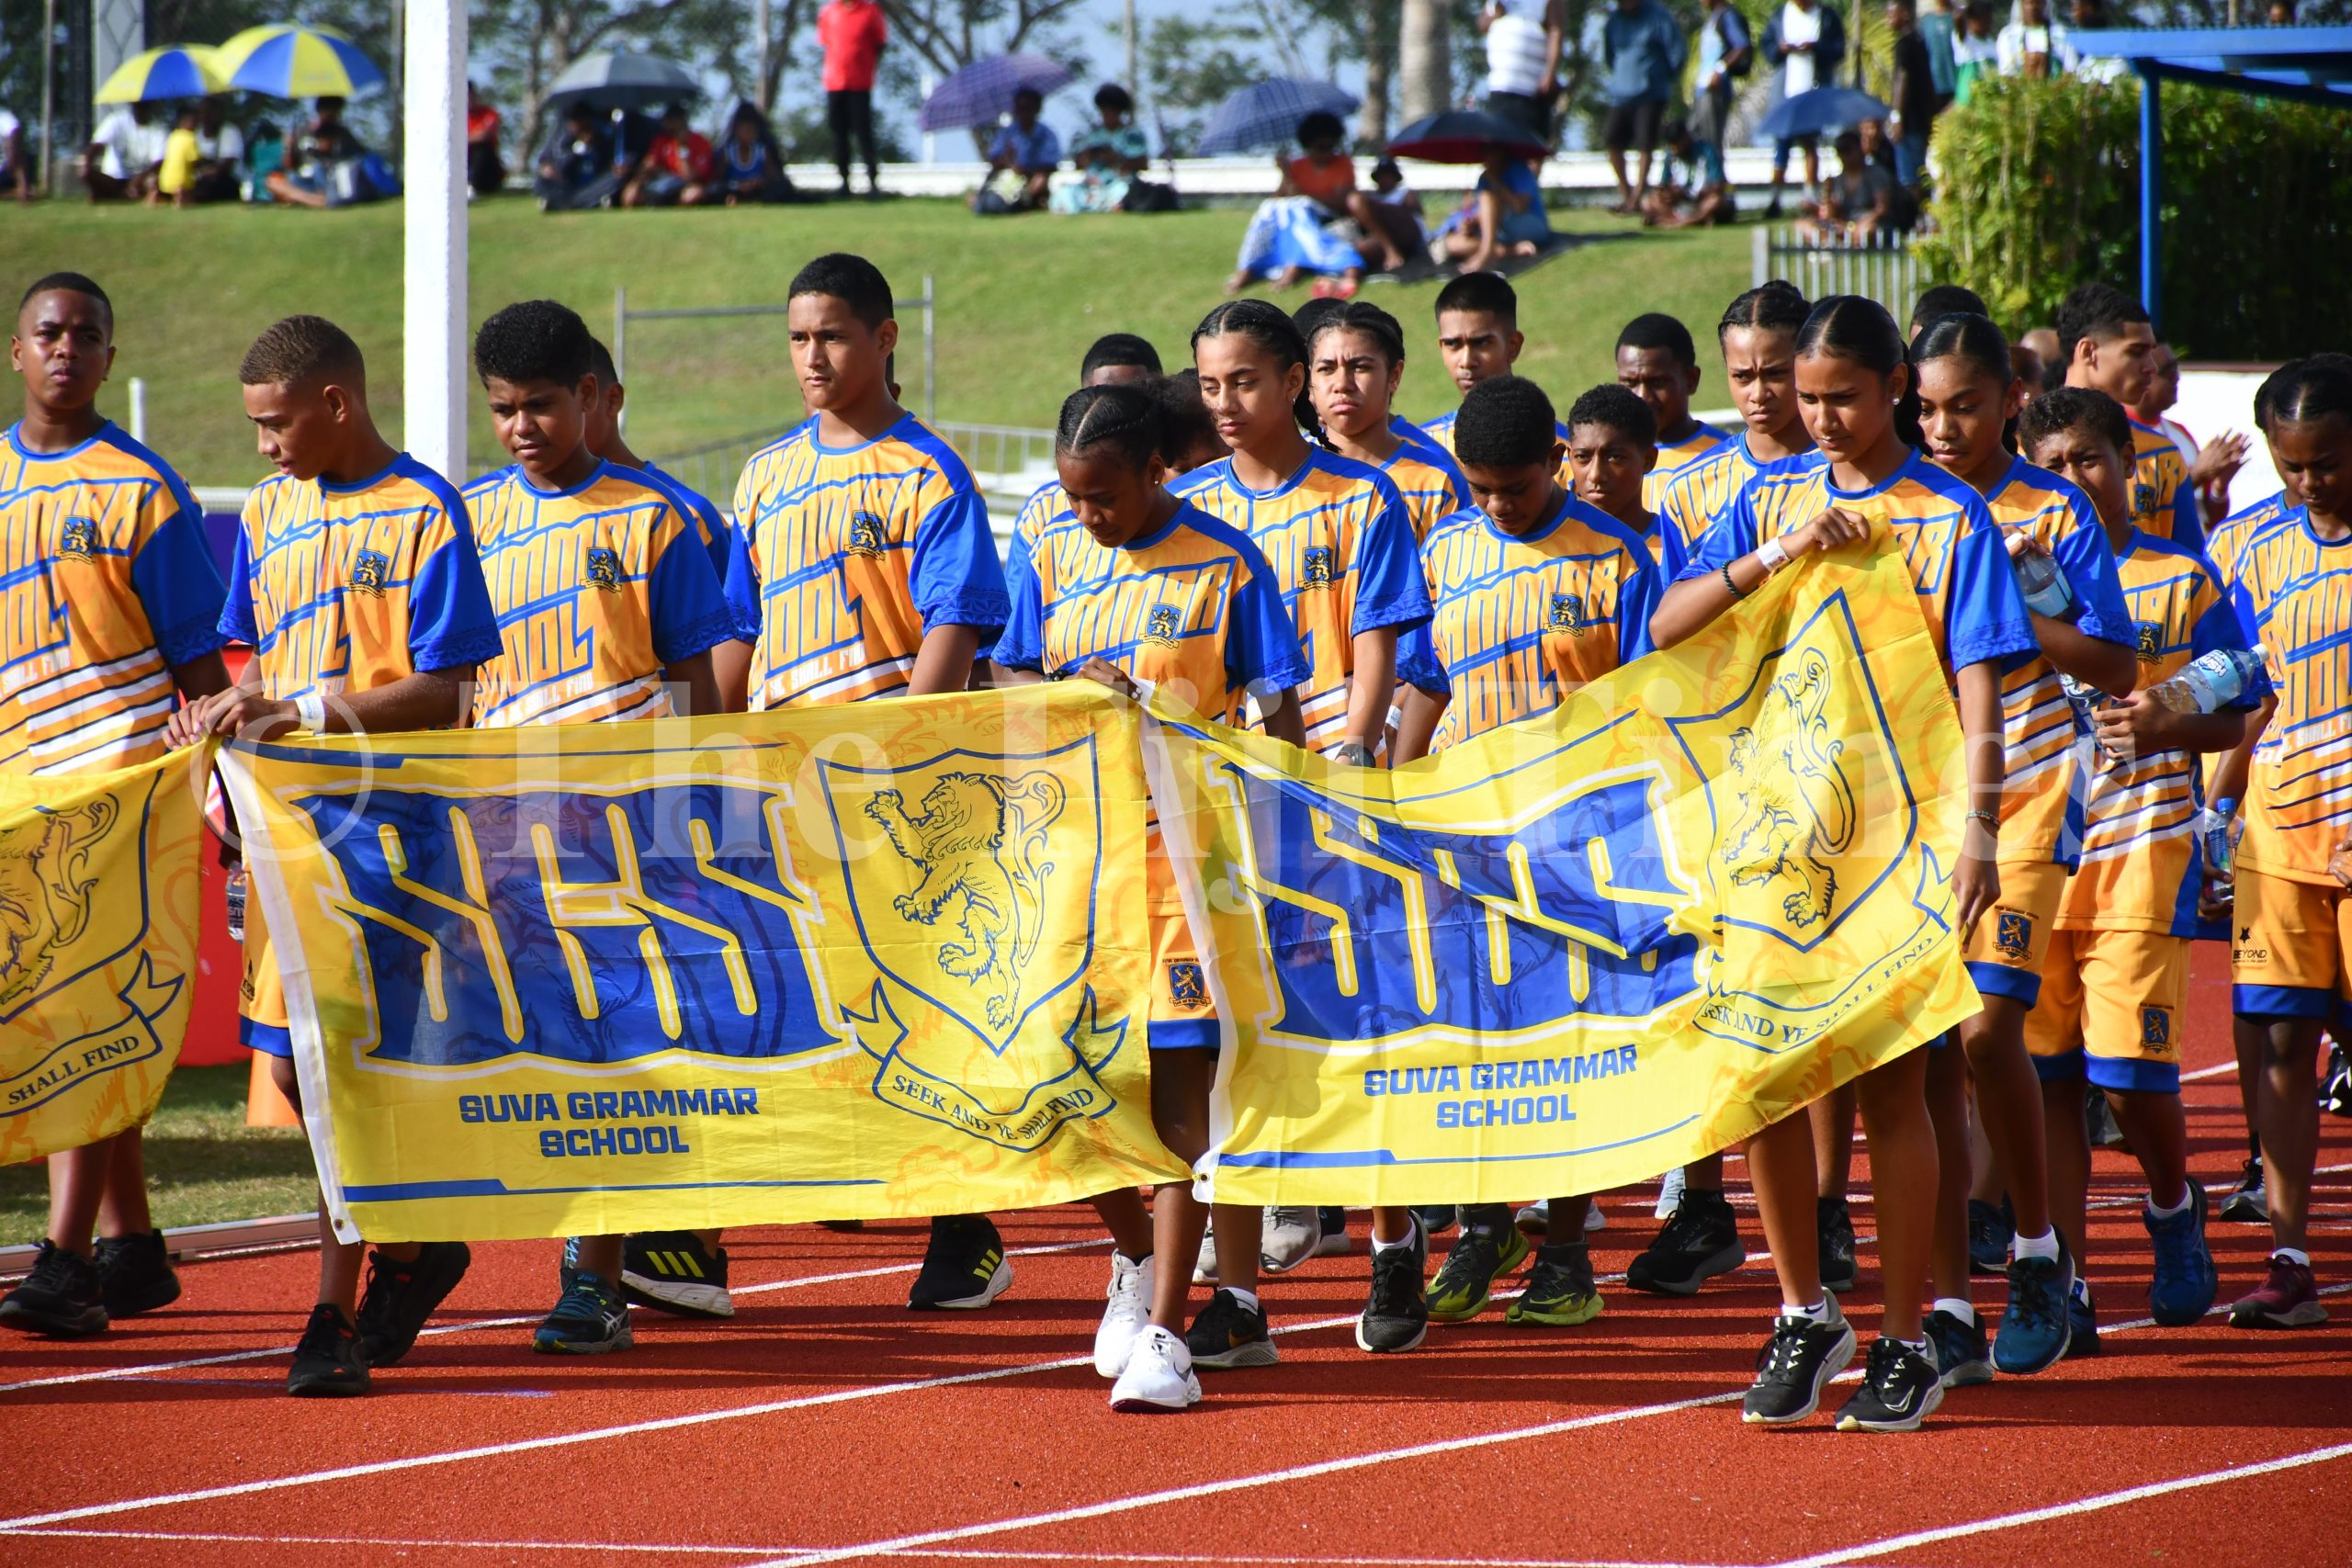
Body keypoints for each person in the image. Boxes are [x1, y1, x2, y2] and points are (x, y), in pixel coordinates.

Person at [1653, 295, 2039, 1432]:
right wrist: (1775, 553)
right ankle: (1802, 1310)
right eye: (1804, 397)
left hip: (1900, 837)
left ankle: (1911, 1334)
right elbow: (1670, 627)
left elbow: (1978, 684)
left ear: (1894, 394)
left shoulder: (1949, 518)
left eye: (1844, 398)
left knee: (1887, 1086)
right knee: (1763, 1079)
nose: (1819, 417)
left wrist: (1975, 829)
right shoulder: (1765, 499)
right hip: (1774, 843)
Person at [729, 254, 1087, 1319]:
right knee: (795, 1000)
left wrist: (884, 759)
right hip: (781, 791)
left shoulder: (928, 473)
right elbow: (737, 633)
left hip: (894, 798)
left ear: (884, 339)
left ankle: (966, 1227)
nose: (813, 358)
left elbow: (958, 623)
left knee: (919, 1008)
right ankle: (699, 1233)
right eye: (798, 338)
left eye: (833, 336)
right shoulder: (761, 477)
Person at [167, 313, 503, 1395]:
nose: (264, 447)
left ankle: (332, 1309)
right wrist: (218, 730)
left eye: (276, 425)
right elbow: (251, 657)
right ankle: (410, 1254)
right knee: (301, 1079)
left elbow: (451, 693)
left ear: (336, 406)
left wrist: (303, 711)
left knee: (342, 1066)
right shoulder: (267, 511)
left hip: (388, 841)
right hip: (280, 833)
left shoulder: (426, 511)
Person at [990, 384, 1308, 1412]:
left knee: (1178, 1104)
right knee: (1049, 1082)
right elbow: (1003, 692)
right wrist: (1058, 693)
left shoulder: (1226, 565)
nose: (1089, 516)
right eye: (1073, 497)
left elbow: (1279, 725)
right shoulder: (1048, 556)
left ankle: (1172, 1332)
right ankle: (1133, 1260)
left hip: (1185, 872)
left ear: (1153, 474)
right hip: (1074, 866)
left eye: (1105, 497)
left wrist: (1163, 721)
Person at [1361, 376, 1661, 1354]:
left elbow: (1657, 702)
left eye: (1517, 485)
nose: (1498, 504)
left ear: (1559, 462)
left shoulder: (1618, 557)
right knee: (1476, 1045)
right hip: (1462, 842)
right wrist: (1392, 808)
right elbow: (1424, 690)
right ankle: (1484, 1231)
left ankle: (1566, 1252)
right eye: (1480, 488)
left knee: (1570, 1048)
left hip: (1583, 846)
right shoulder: (1444, 551)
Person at [461, 300, 735, 1352]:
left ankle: (595, 1274)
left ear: (590, 398)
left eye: (540, 404)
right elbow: (450, 680)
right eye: (503, 409)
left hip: (623, 837)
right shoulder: (472, 518)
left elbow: (698, 686)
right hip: (495, 827)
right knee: (535, 1056)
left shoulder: (656, 517)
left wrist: (688, 819)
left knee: (614, 1051)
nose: (523, 426)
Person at [1168, 298, 1430, 1348]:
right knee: (1231, 1051)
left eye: (1244, 382)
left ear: (1290, 383)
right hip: (1220, 818)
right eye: (1209, 385)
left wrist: (1350, 757)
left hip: (1331, 801)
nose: (1226, 403)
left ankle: (1393, 1240)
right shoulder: (1185, 506)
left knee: (1360, 1033)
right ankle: (1236, 1294)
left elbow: (1380, 643)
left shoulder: (1361, 499)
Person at [0, 273, 232, 1340]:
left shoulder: (143, 487)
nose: (66, 348)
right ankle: (135, 1247)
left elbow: (196, 658)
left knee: (81, 1015)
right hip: (17, 789)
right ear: (17, 350)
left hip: (121, 784)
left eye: (87, 334)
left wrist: (219, 780)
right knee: (59, 1013)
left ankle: (65, 1259)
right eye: (49, 331)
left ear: (107, 355)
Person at [1911, 311, 2138, 1382]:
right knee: (1922, 1059)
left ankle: (2040, 1253)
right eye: (1929, 407)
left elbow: (2114, 665)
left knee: (1987, 1032)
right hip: (1909, 801)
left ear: (2013, 398)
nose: (1946, 426)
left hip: (2031, 798)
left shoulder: (2051, 508)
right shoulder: (1901, 504)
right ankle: (1951, 1303)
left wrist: (2013, 603)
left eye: (1967, 404)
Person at [2016, 384, 2240, 1350]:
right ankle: (2063, 1276)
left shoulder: (2176, 577)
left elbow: (2237, 708)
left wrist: (2161, 718)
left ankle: (2168, 1202)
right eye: (2052, 464)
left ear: (2129, 466)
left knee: (2130, 1076)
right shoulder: (2001, 575)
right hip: (2031, 855)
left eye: (2089, 460)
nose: (2072, 479)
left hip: (2141, 854)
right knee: (2047, 1079)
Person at [2218, 355, 2352, 1331]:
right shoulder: (2243, 546)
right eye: (2291, 465)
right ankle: (2290, 1254)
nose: (2310, 482)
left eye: (2331, 462)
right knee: (2275, 1043)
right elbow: (2218, 677)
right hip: (2276, 838)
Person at [1304, 300, 1470, 541]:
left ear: (1394, 375)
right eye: (1327, 369)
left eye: (1360, 367)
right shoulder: (1287, 471)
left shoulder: (1435, 482)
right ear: (1309, 380)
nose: (1342, 384)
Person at [2056, 283, 2199, 550]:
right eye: (2136, 352)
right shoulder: (2024, 451)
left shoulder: (2163, 456)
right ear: (2088, 352)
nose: (2151, 367)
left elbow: (2191, 568)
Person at [1419, 273, 1569, 456]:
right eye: (1453, 344)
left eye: (1481, 343)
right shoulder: (1423, 450)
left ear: (1513, 346)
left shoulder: (1566, 454)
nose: (1466, 361)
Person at [1227, 112, 1369, 295]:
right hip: (1295, 218)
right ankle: (1248, 267)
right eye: (1320, 147)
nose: (1326, 153)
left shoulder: (1342, 164)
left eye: (1330, 147)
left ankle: (1293, 267)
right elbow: (1278, 199)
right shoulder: (1298, 166)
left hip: (1327, 218)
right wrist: (1286, 174)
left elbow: (1339, 202)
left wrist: (1305, 194)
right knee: (1271, 208)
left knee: (1298, 208)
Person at [1618, 312, 1731, 512]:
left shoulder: (1727, 459)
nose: (1642, 396)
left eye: (1657, 382)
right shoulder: (1601, 461)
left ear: (1691, 380)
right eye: (1630, 383)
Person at [2137, 343, 2248, 531]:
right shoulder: (2120, 436)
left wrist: (2219, 487)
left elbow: (2208, 518)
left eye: (2176, 368)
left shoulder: (2180, 433)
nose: (2177, 377)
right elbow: (2142, 511)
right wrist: (2197, 475)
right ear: (2143, 374)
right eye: (2167, 371)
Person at [1600, 0, 1687, 215]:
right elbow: (1610, 56)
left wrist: (1662, 79)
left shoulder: (1658, 17)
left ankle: (1638, 195)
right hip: (1621, 94)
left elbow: (1678, 52)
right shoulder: (1614, 21)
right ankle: (1627, 195)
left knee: (1645, 144)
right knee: (1611, 140)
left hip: (1651, 93)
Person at [1762, 0, 1847, 218]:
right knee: (1781, 145)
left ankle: (1810, 196)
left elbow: (1838, 50)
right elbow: (1767, 47)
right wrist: (1780, 49)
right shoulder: (1781, 14)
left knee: (1811, 144)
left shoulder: (1826, 17)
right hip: (1786, 92)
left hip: (1814, 90)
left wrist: (1815, 47)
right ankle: (1775, 198)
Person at [1056, 83, 1170, 214]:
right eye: (1105, 109)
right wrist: (1088, 156)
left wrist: (1116, 159)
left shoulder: (1132, 134)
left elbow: (1142, 163)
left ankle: (1114, 206)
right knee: (1067, 191)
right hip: (1092, 184)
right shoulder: (1093, 135)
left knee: (1124, 191)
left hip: (1118, 182)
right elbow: (1078, 164)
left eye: (1112, 110)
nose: (1108, 114)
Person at [1438, 143, 1553, 274]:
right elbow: (1485, 213)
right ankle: (1509, 250)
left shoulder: (1518, 169)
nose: (1486, 157)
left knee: (1488, 196)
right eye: (1483, 152)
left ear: (1501, 153)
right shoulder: (1483, 178)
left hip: (1529, 224)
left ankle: (1486, 254)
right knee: (1453, 244)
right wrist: (1471, 223)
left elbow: (1519, 207)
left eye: (1490, 151)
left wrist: (1496, 183)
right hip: (1498, 232)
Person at [819, 0, 887, 197]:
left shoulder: (870, 11)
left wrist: (868, 66)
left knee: (863, 132)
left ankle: (872, 182)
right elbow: (826, 43)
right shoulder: (829, 12)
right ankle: (844, 182)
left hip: (860, 83)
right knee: (839, 134)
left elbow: (880, 43)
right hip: (835, 82)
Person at [1795, 130, 1905, 243]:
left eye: (1847, 149)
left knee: (1867, 230)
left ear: (1859, 149)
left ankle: (1846, 243)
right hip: (1844, 224)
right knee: (1802, 224)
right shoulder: (1837, 180)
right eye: (1839, 151)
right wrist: (1827, 198)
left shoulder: (1876, 173)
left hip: (1870, 222)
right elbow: (1830, 215)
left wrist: (1855, 225)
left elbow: (1882, 209)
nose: (1843, 155)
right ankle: (1828, 243)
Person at [1690, 0, 1754, 194]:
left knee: (1712, 140)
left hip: (1716, 89)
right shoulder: (1713, 18)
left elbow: (1742, 45)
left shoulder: (1728, 16)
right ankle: (1704, 184)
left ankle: (1718, 188)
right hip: (1704, 88)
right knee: (1695, 135)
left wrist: (1720, 69)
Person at [1481, 1, 1566, 142]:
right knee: (1497, 143)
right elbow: (1482, 23)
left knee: (1533, 142)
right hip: (1501, 83)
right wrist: (1494, 14)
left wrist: (1550, 73)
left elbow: (1556, 31)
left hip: (1531, 86)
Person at [972, 86, 1060, 215]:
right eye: (1019, 109)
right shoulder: (1007, 133)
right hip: (1006, 176)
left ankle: (1029, 200)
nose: (1023, 113)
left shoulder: (1046, 135)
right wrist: (1008, 160)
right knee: (989, 203)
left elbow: (1048, 166)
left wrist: (1024, 172)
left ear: (1037, 109)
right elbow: (995, 161)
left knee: (1039, 180)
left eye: (1027, 108)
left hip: (1032, 179)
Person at [1640, 119, 1734, 230]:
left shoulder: (1707, 151)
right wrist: (1664, 193)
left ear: (1686, 139)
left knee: (1716, 200)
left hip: (1701, 202)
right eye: (1671, 146)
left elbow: (1717, 187)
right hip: (1680, 205)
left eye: (1676, 145)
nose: (1674, 150)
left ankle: (1675, 222)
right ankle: (1690, 221)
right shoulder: (1670, 156)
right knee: (1647, 202)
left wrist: (1686, 195)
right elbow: (1664, 183)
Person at [1887, 0, 1939, 191]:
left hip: (1909, 122)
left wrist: (1896, 116)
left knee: (1910, 178)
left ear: (1905, 14)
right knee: (1923, 172)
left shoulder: (1904, 44)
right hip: (1923, 119)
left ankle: (1915, 216)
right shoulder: (1920, 41)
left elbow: (1903, 77)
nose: (1888, 20)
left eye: (1892, 14)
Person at [624, 105, 716, 208]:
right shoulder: (661, 141)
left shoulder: (700, 142)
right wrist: (638, 181)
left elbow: (690, 177)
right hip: (661, 184)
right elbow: (649, 166)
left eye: (671, 120)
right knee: (630, 196)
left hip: (685, 187)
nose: (667, 124)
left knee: (693, 196)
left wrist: (683, 148)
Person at [536, 101, 622, 210]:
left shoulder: (601, 140)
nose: (574, 126)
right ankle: (582, 203)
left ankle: (568, 203)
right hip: (569, 186)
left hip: (593, 185)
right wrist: (580, 148)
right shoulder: (566, 142)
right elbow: (561, 168)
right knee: (542, 181)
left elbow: (607, 166)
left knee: (615, 179)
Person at [717, 102, 796, 205]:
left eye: (752, 130)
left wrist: (758, 182)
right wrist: (738, 185)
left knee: (783, 187)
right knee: (716, 190)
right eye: (745, 130)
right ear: (736, 131)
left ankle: (753, 201)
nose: (749, 134)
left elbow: (773, 176)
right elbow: (718, 180)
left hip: (757, 190)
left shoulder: (762, 151)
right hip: (735, 189)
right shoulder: (728, 153)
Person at [84, 101, 162, 202]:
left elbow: (159, 161)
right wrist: (87, 164)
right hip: (113, 178)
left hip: (141, 180)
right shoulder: (116, 121)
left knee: (152, 183)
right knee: (87, 174)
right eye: (136, 105)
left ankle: (115, 195)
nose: (139, 108)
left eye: (143, 105)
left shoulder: (159, 129)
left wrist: (141, 177)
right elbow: (97, 144)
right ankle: (117, 194)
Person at [153, 106, 202, 209]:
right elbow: (195, 161)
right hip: (181, 181)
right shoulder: (190, 138)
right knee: (197, 182)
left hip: (164, 180)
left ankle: (156, 195)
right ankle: (181, 198)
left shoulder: (173, 136)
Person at [1997, 0, 2060, 79]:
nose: (2033, 7)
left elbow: (2070, 68)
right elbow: (2005, 72)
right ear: (2021, 5)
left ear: (2045, 4)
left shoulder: (2059, 34)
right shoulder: (2008, 35)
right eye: (2028, 3)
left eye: (2037, 3)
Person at [1952, 1, 1998, 103]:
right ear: (1973, 20)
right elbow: (1958, 19)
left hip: (1987, 101)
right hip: (1968, 102)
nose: (1990, 22)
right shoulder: (1964, 40)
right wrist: (1965, 7)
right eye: (1985, 19)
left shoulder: (1991, 42)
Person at [467, 84, 504, 195]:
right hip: (465, 165)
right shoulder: (456, 117)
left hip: (487, 170)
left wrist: (466, 139)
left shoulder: (488, 113)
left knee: (482, 148)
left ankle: (473, 186)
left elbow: (484, 135)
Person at [0, 105, 31, 201]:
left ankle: (22, 191)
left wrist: (22, 183)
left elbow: (14, 132)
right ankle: (19, 192)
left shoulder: (4, 118)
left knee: (18, 155)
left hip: (4, 171)